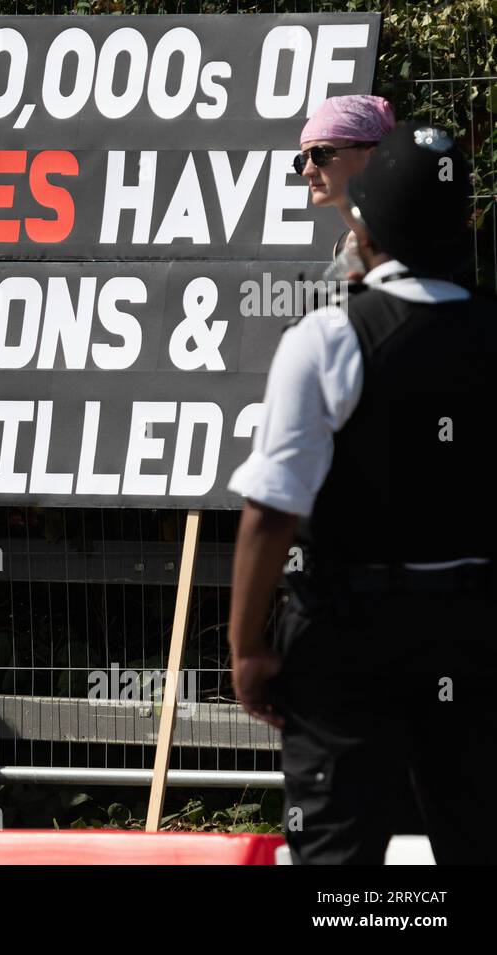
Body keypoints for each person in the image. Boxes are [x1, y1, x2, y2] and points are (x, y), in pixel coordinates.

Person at [228, 122, 496, 864]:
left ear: (364, 224)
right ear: (464, 224)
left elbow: (273, 508)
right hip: (474, 637)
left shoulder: (327, 339)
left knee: (341, 871)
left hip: (347, 642)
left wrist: (247, 646)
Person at [294, 94, 395, 282]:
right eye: (303, 159)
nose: (308, 171)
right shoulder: (346, 246)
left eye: (321, 154)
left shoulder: (409, 241)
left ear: (372, 156)